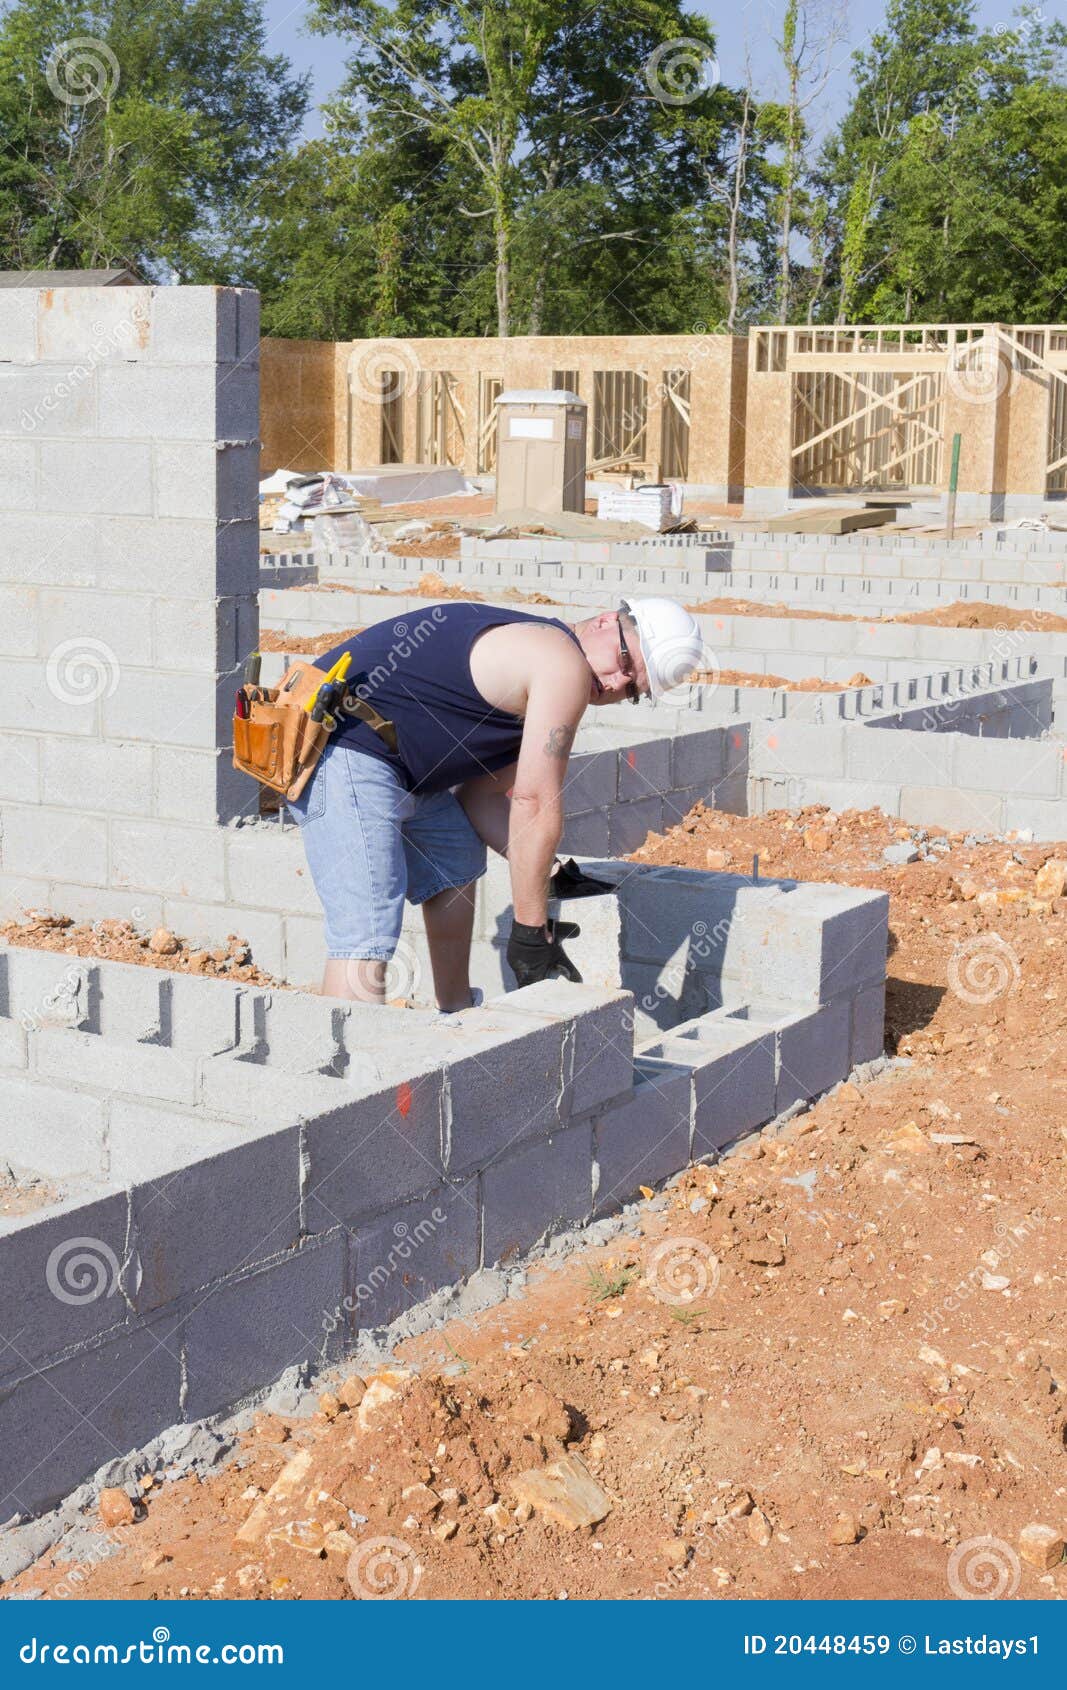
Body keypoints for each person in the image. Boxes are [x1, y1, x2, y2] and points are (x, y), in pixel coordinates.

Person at [289, 597, 703, 1009]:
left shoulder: (539, 672)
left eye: (631, 689)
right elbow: (534, 801)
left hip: (394, 764)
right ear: (606, 621)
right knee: (368, 927)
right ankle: (348, 1062)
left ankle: (455, 1012)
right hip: (339, 744)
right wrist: (531, 932)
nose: (615, 683)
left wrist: (549, 872)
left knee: (454, 852)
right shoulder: (562, 664)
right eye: (625, 662)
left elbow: (482, 797)